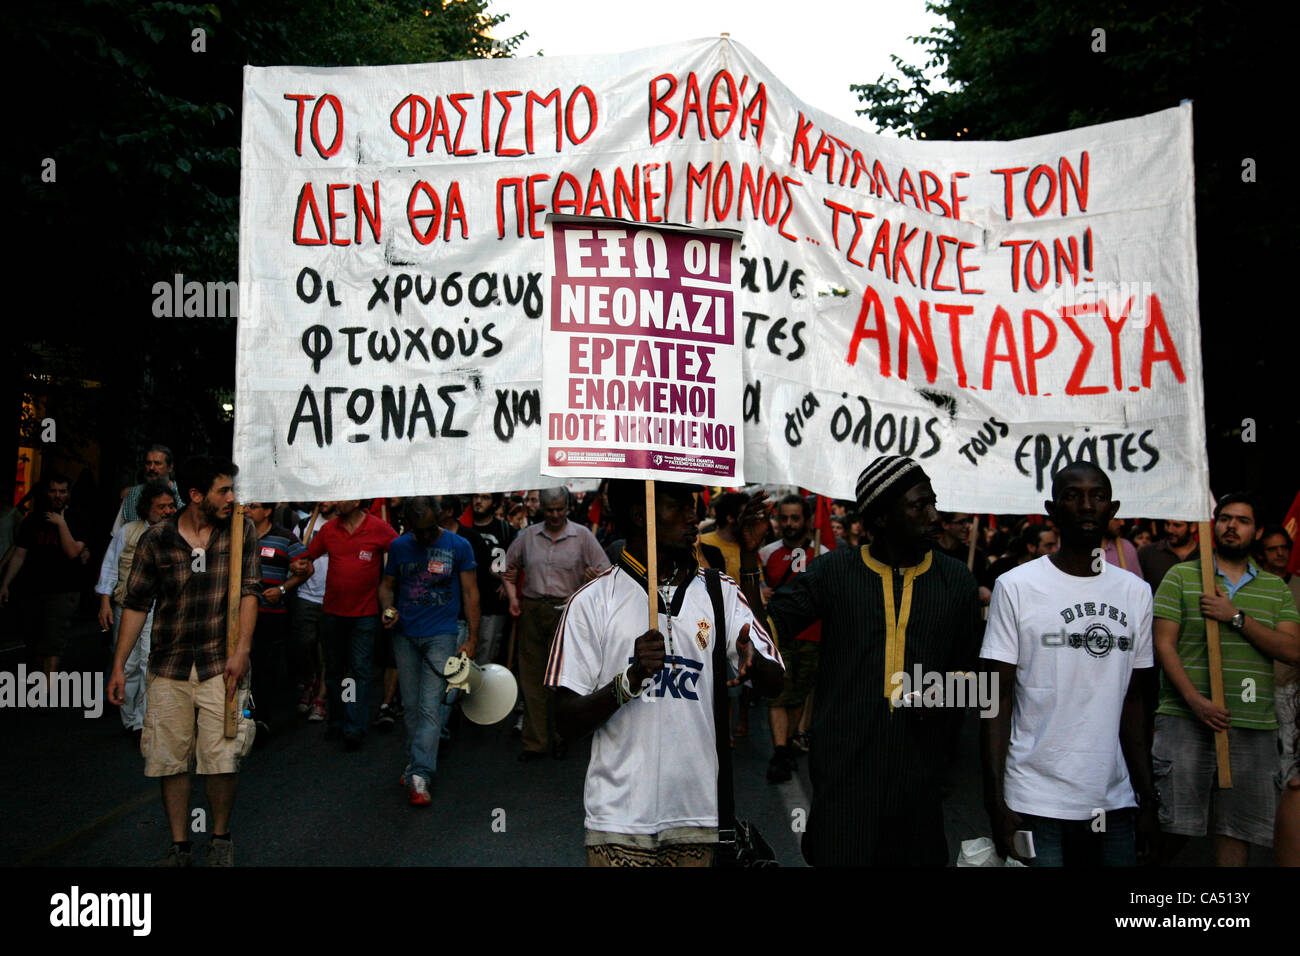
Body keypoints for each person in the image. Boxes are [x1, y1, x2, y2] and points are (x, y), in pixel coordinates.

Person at [549, 479, 783, 866]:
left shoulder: (718, 593)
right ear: (642, 515)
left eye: (694, 505)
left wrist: (752, 659)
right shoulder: (591, 602)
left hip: (696, 816)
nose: (695, 517)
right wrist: (628, 682)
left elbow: (775, 682)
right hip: (617, 820)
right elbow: (565, 720)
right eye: (678, 507)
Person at [763, 456, 982, 865]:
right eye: (919, 506)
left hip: (920, 786)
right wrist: (744, 558)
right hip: (844, 783)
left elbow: (975, 678)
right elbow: (766, 633)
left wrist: (945, 691)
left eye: (933, 502)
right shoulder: (833, 573)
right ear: (880, 518)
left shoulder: (958, 582)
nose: (934, 516)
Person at [981, 462, 1158, 866]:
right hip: (1034, 796)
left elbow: (1134, 701)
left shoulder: (1135, 592)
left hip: (1113, 798)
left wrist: (1147, 797)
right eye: (1072, 496)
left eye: (1097, 496)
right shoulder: (1016, 587)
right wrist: (995, 802)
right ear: (1052, 509)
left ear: (1112, 509)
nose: (1086, 505)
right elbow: (996, 699)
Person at [108, 456, 260, 867]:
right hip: (169, 665)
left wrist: (242, 651)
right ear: (195, 496)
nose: (232, 498)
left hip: (220, 663)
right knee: (169, 758)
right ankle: (180, 845)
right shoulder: (157, 539)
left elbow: (249, 592)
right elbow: (137, 604)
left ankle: (220, 838)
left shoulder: (241, 530)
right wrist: (120, 665)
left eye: (233, 489)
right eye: (223, 491)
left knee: (222, 757)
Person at [1152, 493, 1300, 865]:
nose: (1231, 526)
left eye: (1242, 521)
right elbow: (1163, 645)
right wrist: (1196, 701)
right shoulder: (1183, 575)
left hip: (1252, 722)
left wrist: (1235, 617)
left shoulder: (1275, 588)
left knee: (1238, 830)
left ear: (1257, 532)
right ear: (1213, 525)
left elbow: (1292, 649)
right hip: (1185, 718)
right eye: (1225, 518)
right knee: (1175, 826)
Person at [379, 497, 479, 806]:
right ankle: (413, 764)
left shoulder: (459, 546)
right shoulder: (399, 547)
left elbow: (470, 592)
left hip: (442, 634)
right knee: (410, 706)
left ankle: (421, 775)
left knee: (430, 706)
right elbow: (386, 585)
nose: (423, 537)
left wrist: (472, 638)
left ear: (438, 519)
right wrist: (388, 608)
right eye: (417, 531)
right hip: (405, 634)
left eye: (428, 529)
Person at [502, 487, 610, 761]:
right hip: (533, 609)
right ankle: (535, 742)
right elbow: (507, 567)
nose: (555, 515)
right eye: (549, 510)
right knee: (532, 677)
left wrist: (592, 578)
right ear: (542, 510)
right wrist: (513, 597)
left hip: (568, 611)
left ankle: (563, 735)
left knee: (564, 679)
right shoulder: (527, 536)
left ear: (567, 507)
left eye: (560, 509)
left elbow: (606, 573)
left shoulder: (583, 536)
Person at [293, 498, 398, 750]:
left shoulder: (378, 527)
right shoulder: (329, 530)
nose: (335, 503)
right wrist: (297, 562)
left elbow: (401, 549)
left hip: (364, 615)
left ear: (357, 499)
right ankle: (337, 720)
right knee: (335, 672)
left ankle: (353, 726)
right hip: (332, 613)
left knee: (358, 671)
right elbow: (306, 556)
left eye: (340, 497)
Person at [95, 480, 178, 738]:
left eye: (170, 506)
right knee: (127, 662)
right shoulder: (128, 532)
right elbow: (110, 566)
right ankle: (129, 718)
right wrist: (105, 602)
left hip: (160, 608)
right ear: (146, 508)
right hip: (127, 606)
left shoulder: (177, 534)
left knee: (149, 661)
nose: (167, 511)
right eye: (160, 507)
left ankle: (144, 721)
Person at [759, 494, 827, 784]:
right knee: (777, 694)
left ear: (807, 520)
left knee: (798, 695)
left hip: (812, 637)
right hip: (778, 637)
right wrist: (760, 588)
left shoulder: (823, 553)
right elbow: (754, 584)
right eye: (783, 518)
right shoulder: (766, 553)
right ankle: (780, 750)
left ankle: (785, 746)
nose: (788, 524)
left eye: (794, 518)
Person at [0, 471, 90, 676]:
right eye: (53, 491)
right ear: (46, 493)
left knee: (53, 642)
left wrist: (61, 523)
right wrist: (5, 584)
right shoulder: (33, 520)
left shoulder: (77, 518)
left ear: (68, 494)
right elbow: (19, 554)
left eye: (62, 491)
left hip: (63, 589)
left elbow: (72, 552)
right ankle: (36, 685)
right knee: (33, 640)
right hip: (33, 588)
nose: (58, 495)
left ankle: (48, 691)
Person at [244, 501, 309, 740]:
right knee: (242, 666)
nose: (247, 510)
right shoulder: (238, 533)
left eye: (253, 506)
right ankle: (242, 716)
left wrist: (283, 589)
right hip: (238, 614)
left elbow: (307, 568)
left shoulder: (284, 538)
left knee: (264, 667)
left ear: (268, 511)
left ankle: (261, 719)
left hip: (269, 616)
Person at [292, 503, 333, 721]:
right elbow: (292, 556)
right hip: (306, 595)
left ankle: (321, 698)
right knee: (303, 645)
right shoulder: (304, 525)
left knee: (326, 650)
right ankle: (310, 682)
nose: (325, 502)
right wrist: (294, 566)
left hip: (332, 598)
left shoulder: (342, 525)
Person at [465, 492, 516, 667]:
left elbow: (516, 561)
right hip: (466, 603)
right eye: (476, 496)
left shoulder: (505, 530)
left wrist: (508, 582)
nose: (478, 501)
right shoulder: (464, 528)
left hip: (493, 603)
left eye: (485, 498)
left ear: (494, 502)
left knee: (486, 657)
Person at [112, 444, 181, 536]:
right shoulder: (132, 494)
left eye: (157, 463)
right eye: (148, 463)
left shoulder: (181, 494)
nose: (151, 468)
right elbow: (117, 534)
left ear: (170, 467)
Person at [936, 511, 992, 604]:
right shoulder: (929, 552)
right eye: (961, 522)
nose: (967, 526)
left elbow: (982, 585)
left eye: (968, 521)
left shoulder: (975, 556)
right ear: (945, 525)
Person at [986, 522, 1059, 585]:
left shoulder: (1055, 572)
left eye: (1055, 544)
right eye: (1049, 546)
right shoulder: (1002, 568)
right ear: (1031, 547)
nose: (1055, 550)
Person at [1137, 519, 1199, 592]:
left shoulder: (1207, 556)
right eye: (1167, 524)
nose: (1170, 530)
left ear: (1193, 527)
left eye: (1177, 525)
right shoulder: (1146, 553)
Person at [699, 491, 745, 580]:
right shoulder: (701, 544)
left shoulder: (748, 546)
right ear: (730, 518)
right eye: (744, 515)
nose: (749, 520)